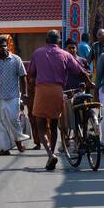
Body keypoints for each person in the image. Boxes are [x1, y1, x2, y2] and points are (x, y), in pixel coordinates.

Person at [28, 31, 91, 170]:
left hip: (42, 90)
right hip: (58, 90)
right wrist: (89, 82)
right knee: (55, 123)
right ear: (59, 42)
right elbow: (79, 70)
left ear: (46, 40)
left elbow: (31, 73)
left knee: (41, 125)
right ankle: (54, 151)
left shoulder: (37, 53)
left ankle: (50, 154)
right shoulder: (65, 54)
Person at [0, 36, 27, 155]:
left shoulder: (16, 59)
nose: (3, 48)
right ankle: (4, 148)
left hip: (13, 97)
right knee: (0, 125)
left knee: (14, 120)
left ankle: (19, 140)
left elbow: (23, 77)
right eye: (1, 46)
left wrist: (24, 94)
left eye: (5, 45)